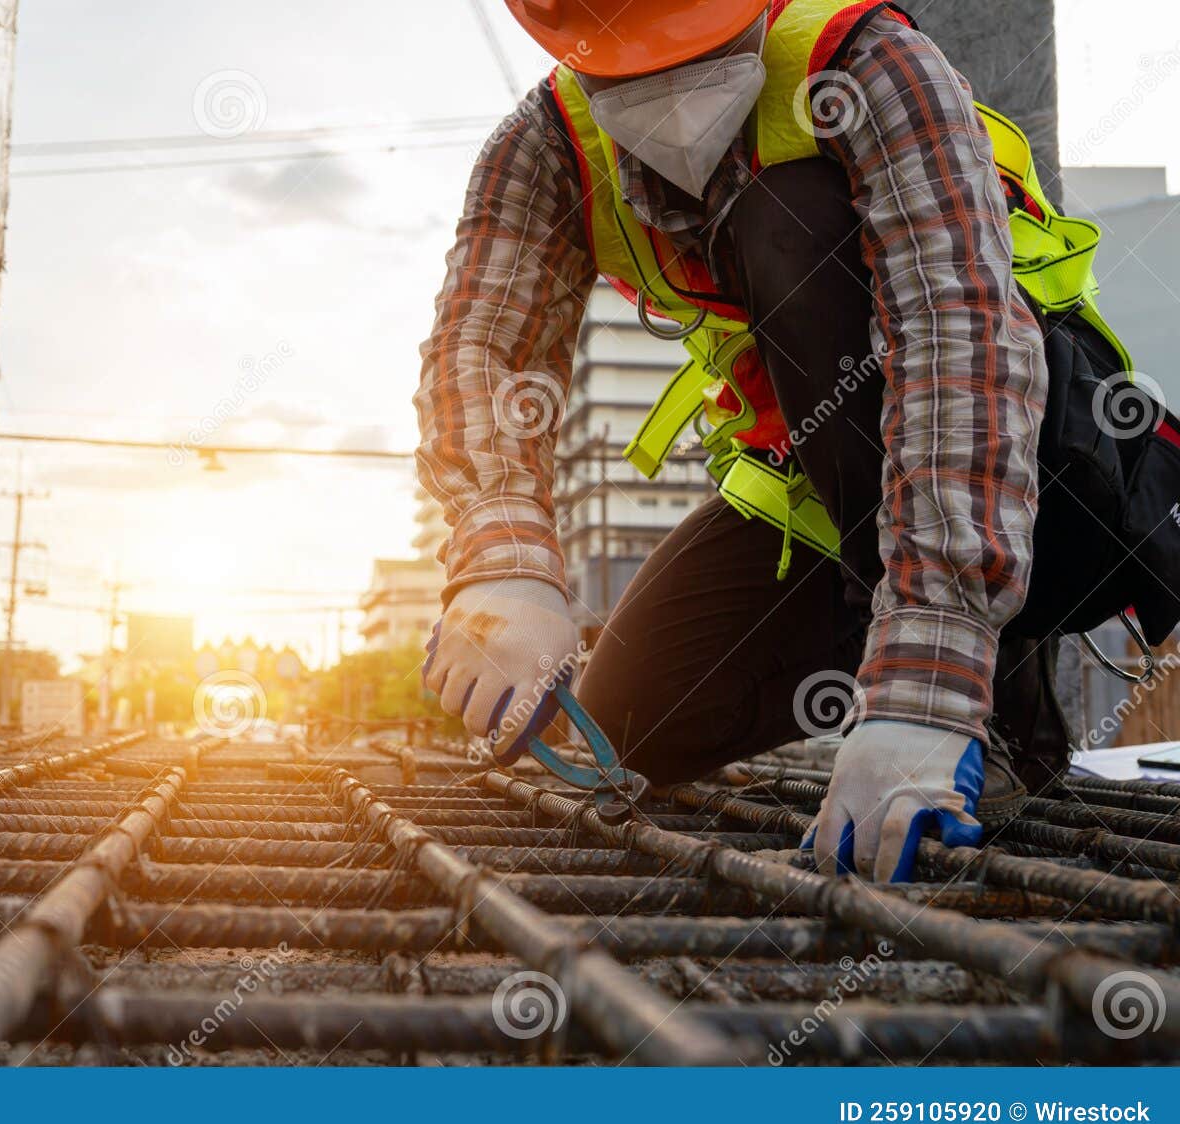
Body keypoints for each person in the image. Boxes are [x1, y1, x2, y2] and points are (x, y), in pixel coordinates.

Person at [416, 0, 1117, 882]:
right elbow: (483, 346)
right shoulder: (545, 148)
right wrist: (504, 557)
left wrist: (927, 678)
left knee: (786, 220)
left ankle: (994, 698)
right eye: (632, 65)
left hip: (1023, 472)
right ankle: (868, 640)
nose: (668, 85)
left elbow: (956, 342)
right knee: (633, 725)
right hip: (819, 502)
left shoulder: (868, 66)